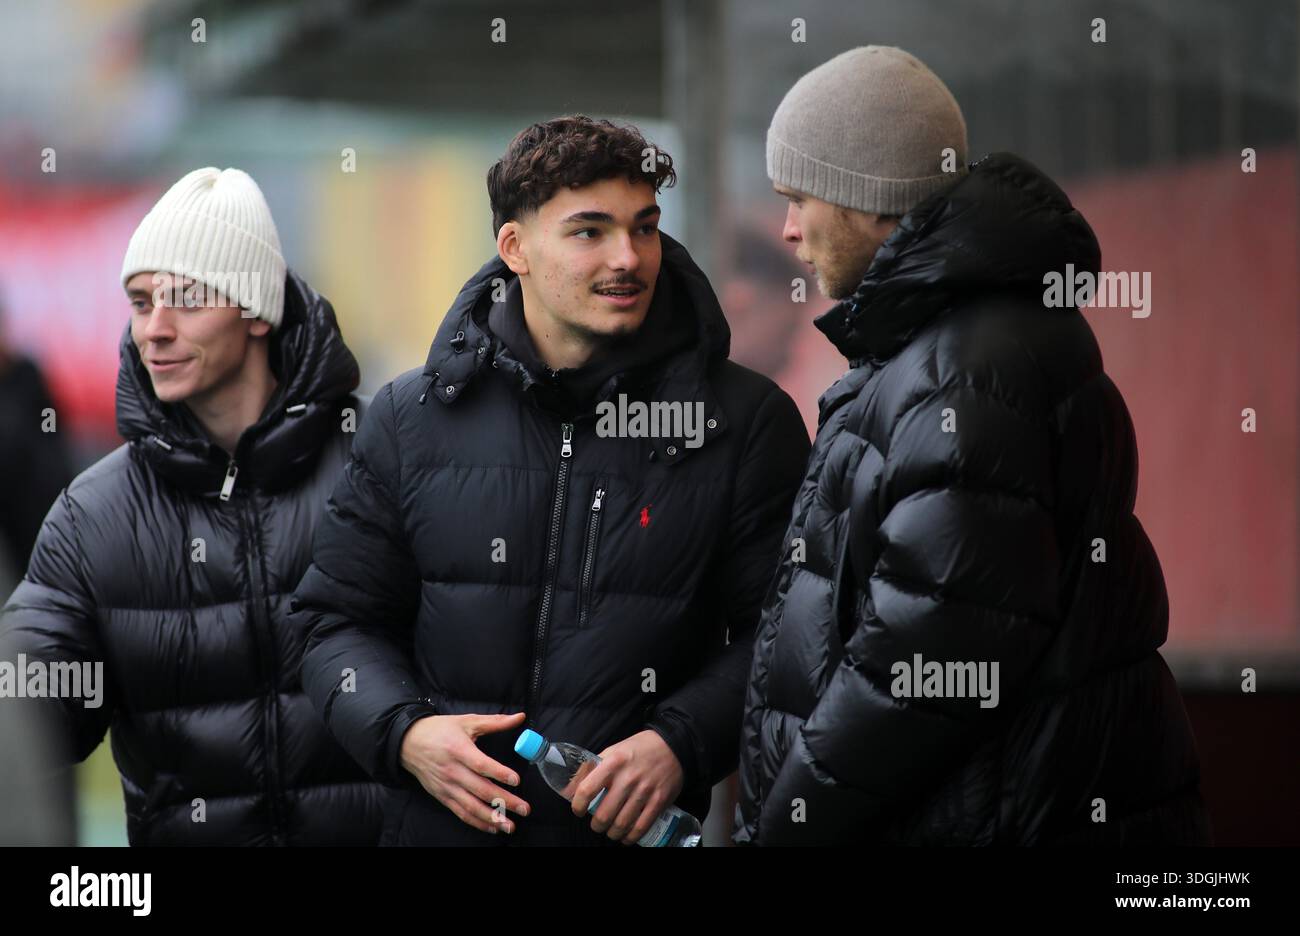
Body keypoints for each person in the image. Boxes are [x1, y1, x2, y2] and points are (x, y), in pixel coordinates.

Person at [735, 47, 1210, 845]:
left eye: (799, 198)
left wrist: (788, 825)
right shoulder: (946, 346)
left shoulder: (963, 370)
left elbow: (929, 650)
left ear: (869, 199)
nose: (787, 229)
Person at [292, 115, 810, 846]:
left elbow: (788, 634)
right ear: (515, 249)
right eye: (589, 231)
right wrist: (406, 734)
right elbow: (332, 624)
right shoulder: (412, 417)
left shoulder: (742, 423)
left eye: (644, 227)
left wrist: (679, 741)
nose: (628, 257)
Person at [0, 167, 384, 845]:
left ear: (257, 310)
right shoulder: (95, 514)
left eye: (186, 299)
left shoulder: (382, 462)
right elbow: (30, 696)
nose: (155, 329)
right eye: (141, 301)